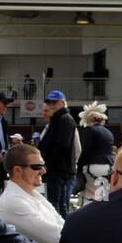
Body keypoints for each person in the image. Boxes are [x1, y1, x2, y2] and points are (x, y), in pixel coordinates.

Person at [38, 90, 78, 218]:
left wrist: (47, 163)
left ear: (62, 103)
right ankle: (61, 232)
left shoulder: (64, 119)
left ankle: (62, 233)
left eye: (54, 102)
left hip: (59, 170)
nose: (51, 105)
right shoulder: (59, 119)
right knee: (56, 204)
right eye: (49, 102)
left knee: (58, 205)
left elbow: (61, 146)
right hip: (57, 169)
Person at [77, 101, 115, 202]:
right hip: (108, 167)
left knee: (90, 195)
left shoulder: (90, 130)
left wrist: (78, 166)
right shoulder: (109, 132)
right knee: (103, 196)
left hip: (93, 166)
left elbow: (85, 150)